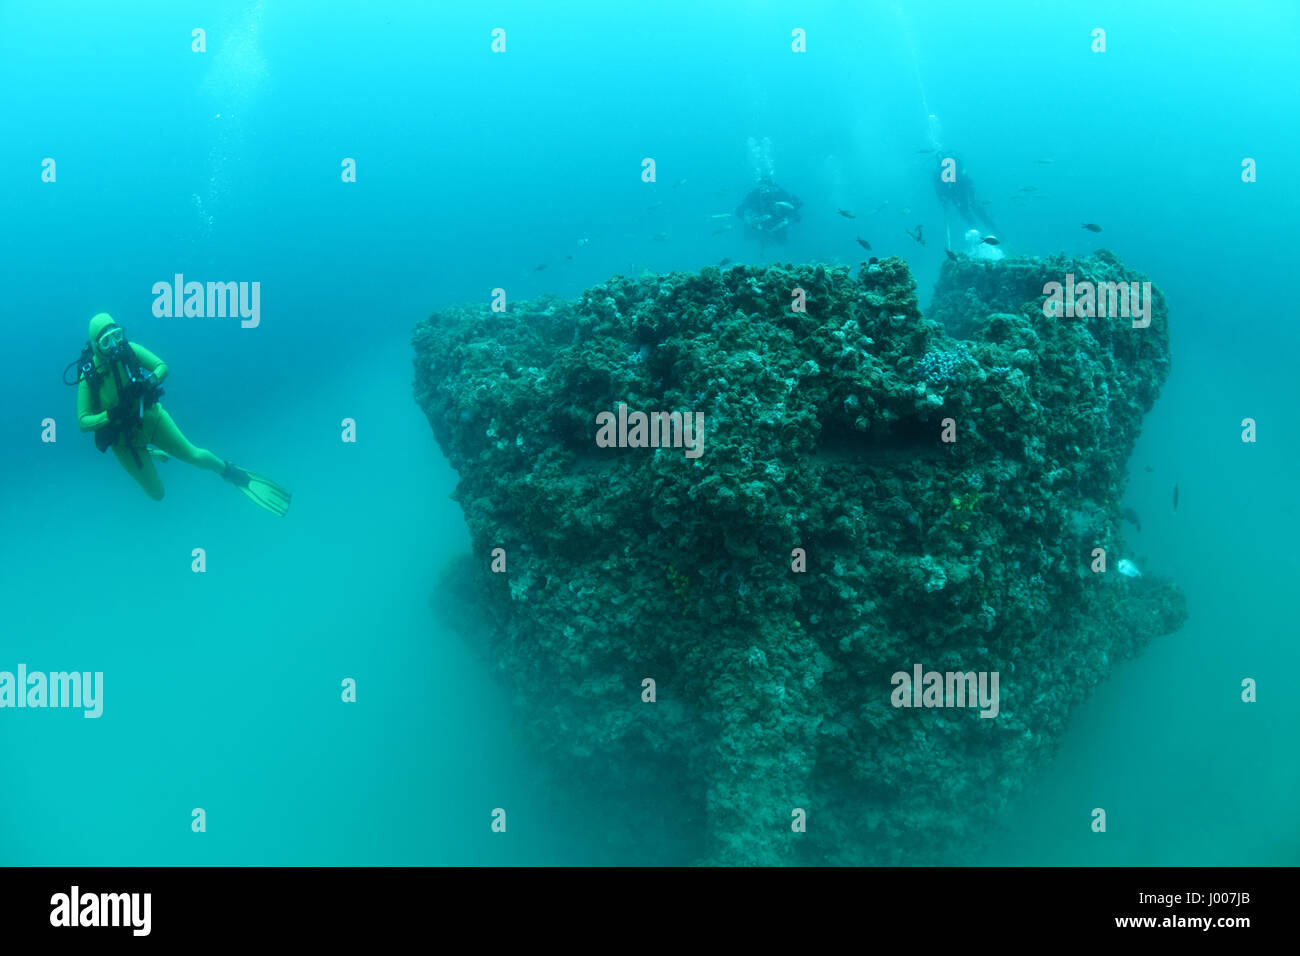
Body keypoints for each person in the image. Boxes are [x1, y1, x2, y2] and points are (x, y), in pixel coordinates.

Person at [70, 313, 291, 515]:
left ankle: (230, 472)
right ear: (96, 345)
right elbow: (82, 421)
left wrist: (149, 382)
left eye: (117, 336)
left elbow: (161, 366)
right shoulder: (90, 376)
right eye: (106, 341)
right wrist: (111, 414)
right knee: (157, 494)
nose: (115, 345)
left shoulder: (130, 350)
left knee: (193, 455)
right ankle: (148, 450)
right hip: (125, 442)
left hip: (153, 420)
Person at [735, 176, 803, 245]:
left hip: (777, 222)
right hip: (758, 222)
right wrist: (746, 218)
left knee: (783, 242)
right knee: (748, 240)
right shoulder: (754, 194)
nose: (765, 190)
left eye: (768, 187)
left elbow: (793, 210)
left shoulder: (781, 194)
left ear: (773, 186)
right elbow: (739, 210)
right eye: (762, 187)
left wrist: (793, 214)